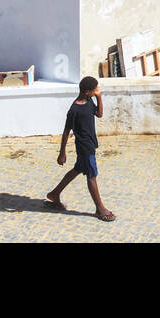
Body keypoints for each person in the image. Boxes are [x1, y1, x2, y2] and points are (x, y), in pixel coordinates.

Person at [47, 76, 115, 221]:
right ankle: (100, 209)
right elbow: (66, 131)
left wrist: (99, 98)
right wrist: (62, 153)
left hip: (91, 143)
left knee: (77, 169)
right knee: (91, 176)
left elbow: (99, 114)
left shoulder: (89, 101)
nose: (96, 91)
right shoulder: (74, 110)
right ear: (86, 91)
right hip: (84, 146)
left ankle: (54, 194)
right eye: (94, 90)